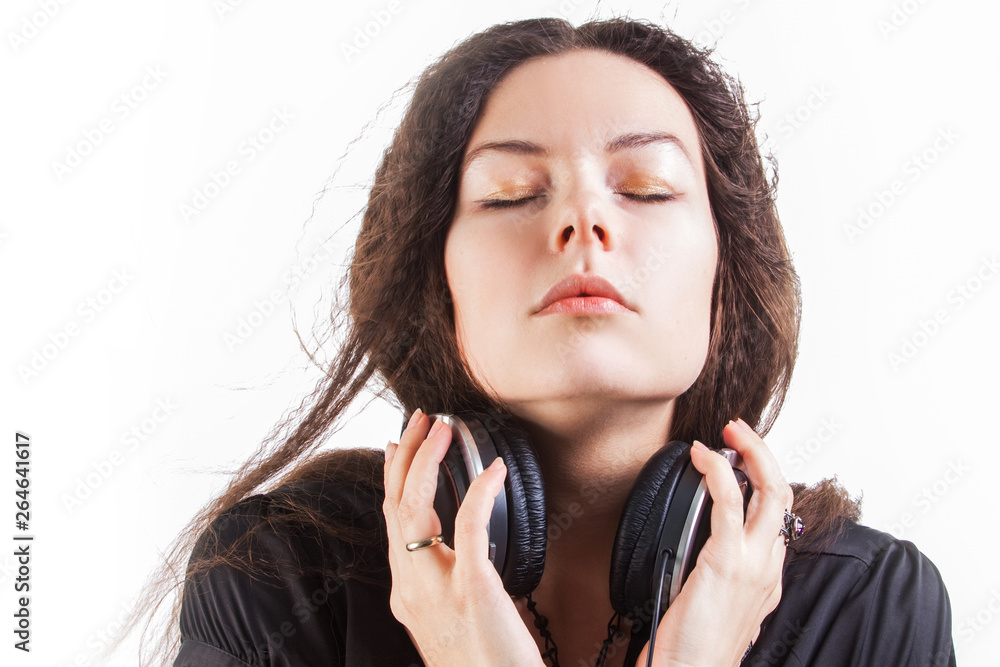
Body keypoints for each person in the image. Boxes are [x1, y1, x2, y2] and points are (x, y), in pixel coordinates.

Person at [114, 16, 955, 667]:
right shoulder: (280, 577)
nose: (582, 219)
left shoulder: (872, 605)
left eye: (648, 188)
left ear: (724, 276)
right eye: (511, 193)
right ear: (438, 283)